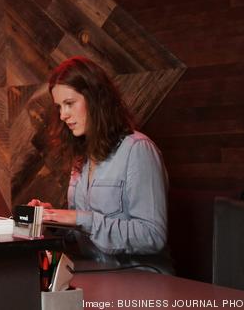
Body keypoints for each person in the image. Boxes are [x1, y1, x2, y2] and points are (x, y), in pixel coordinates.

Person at [29, 57, 171, 271]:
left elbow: (152, 235)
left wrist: (80, 218)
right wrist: (53, 220)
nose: (63, 115)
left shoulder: (138, 149)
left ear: (95, 99)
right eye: (59, 107)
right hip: (98, 272)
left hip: (139, 276)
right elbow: (83, 229)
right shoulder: (82, 156)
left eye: (69, 104)